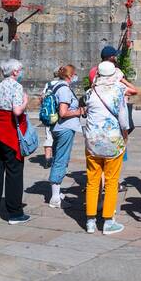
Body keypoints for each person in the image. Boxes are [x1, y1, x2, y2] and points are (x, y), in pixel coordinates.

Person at [83, 61, 130, 234]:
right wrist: (125, 135)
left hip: (92, 141)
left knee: (92, 180)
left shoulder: (90, 92)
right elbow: (123, 119)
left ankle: (90, 220)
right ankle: (108, 221)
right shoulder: (118, 91)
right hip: (112, 140)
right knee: (111, 181)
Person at [0, 58, 31, 225]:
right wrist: (26, 101)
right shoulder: (16, 87)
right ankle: (14, 213)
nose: (22, 71)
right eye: (21, 69)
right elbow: (17, 111)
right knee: (14, 172)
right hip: (9, 134)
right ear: (15, 72)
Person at [42, 64, 82, 208]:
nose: (76, 76)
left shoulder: (55, 86)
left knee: (58, 157)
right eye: (75, 74)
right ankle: (55, 198)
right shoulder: (64, 89)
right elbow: (63, 112)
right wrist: (79, 111)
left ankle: (57, 193)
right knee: (61, 159)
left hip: (56, 127)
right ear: (70, 76)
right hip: (64, 128)